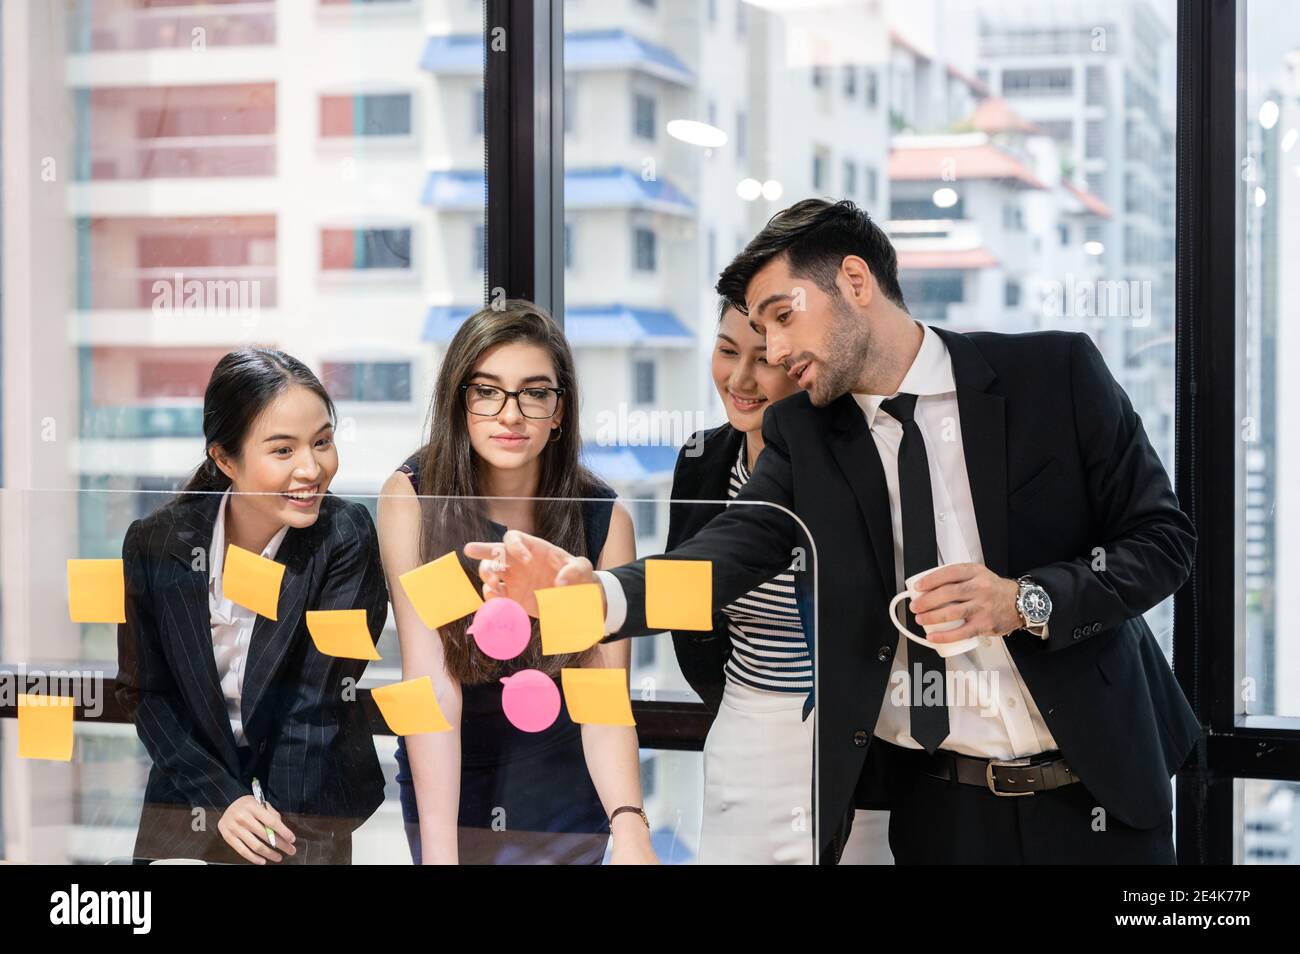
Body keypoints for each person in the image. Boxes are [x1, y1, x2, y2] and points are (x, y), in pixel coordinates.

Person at [467, 199, 1200, 865]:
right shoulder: (804, 436)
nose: (775, 353)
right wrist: (586, 595)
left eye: (783, 317)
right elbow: (721, 559)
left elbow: (1163, 541)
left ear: (855, 280)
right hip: (940, 810)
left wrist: (1024, 600)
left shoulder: (1053, 373)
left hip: (1099, 795)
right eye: (755, 331)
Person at [378, 300, 657, 865]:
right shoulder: (415, 498)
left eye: (534, 393)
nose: (511, 415)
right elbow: (431, 686)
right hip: (449, 777)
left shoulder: (601, 518)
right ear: (459, 403)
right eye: (487, 391)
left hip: (564, 779)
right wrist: (439, 855)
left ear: (559, 411)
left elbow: (601, 699)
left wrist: (630, 826)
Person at [116, 348, 388, 864]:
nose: (312, 468)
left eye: (323, 442)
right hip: (192, 795)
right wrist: (224, 799)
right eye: (282, 451)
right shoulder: (157, 541)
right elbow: (147, 693)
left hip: (301, 805)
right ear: (224, 459)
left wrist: (279, 836)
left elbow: (313, 705)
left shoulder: (343, 536)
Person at [668, 300, 814, 863]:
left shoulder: (851, 466)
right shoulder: (703, 460)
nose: (740, 379)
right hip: (741, 725)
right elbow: (688, 598)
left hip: (847, 735)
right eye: (727, 351)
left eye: (764, 360)